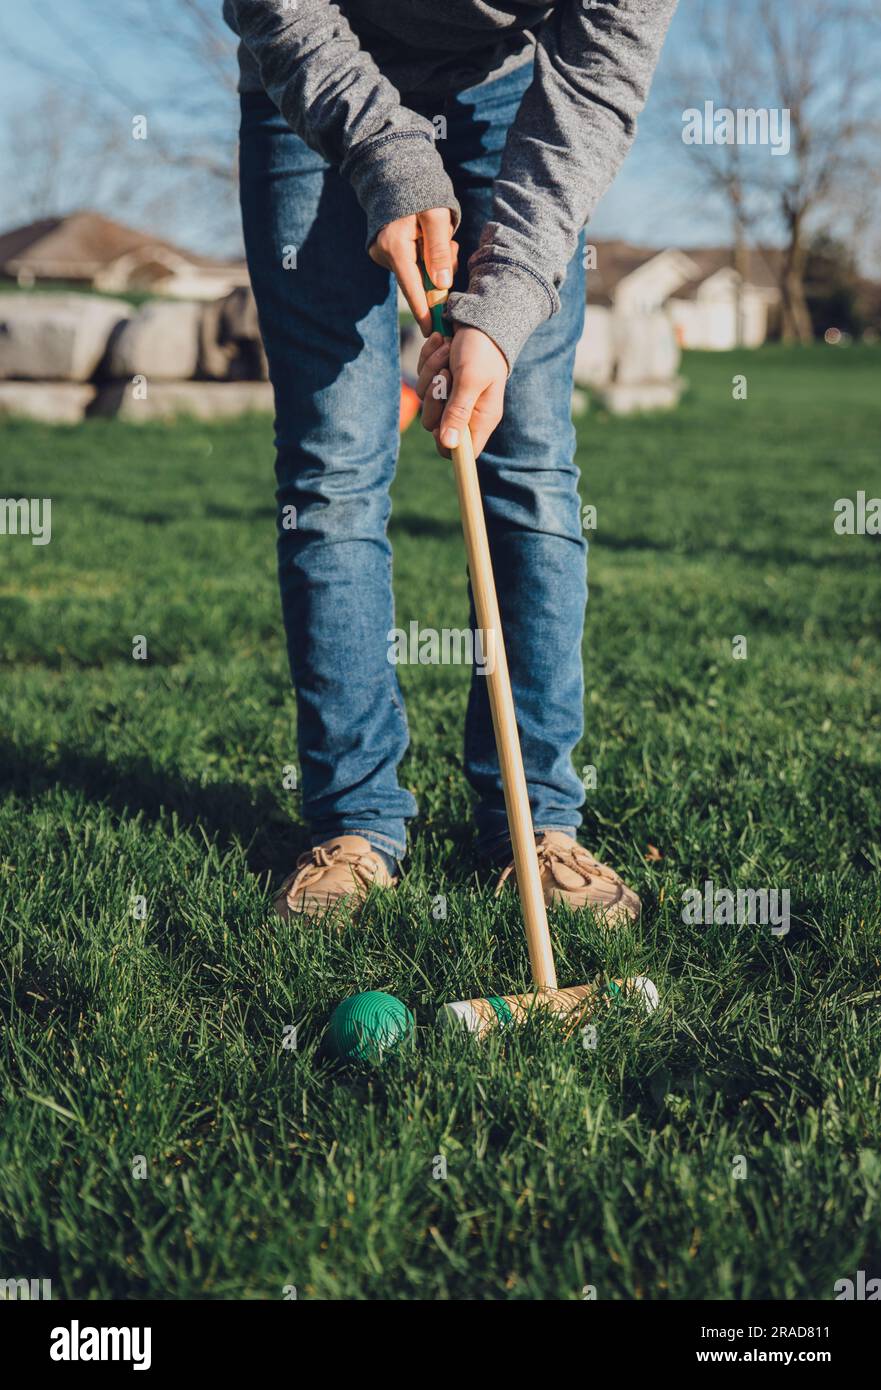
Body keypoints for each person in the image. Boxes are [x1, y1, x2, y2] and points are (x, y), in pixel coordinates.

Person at [226, 0, 676, 924]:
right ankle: (354, 825)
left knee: (531, 464)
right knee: (330, 475)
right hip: (310, 84)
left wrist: (502, 312)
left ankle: (533, 821)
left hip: (512, 101)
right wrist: (384, 149)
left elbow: (594, 84)